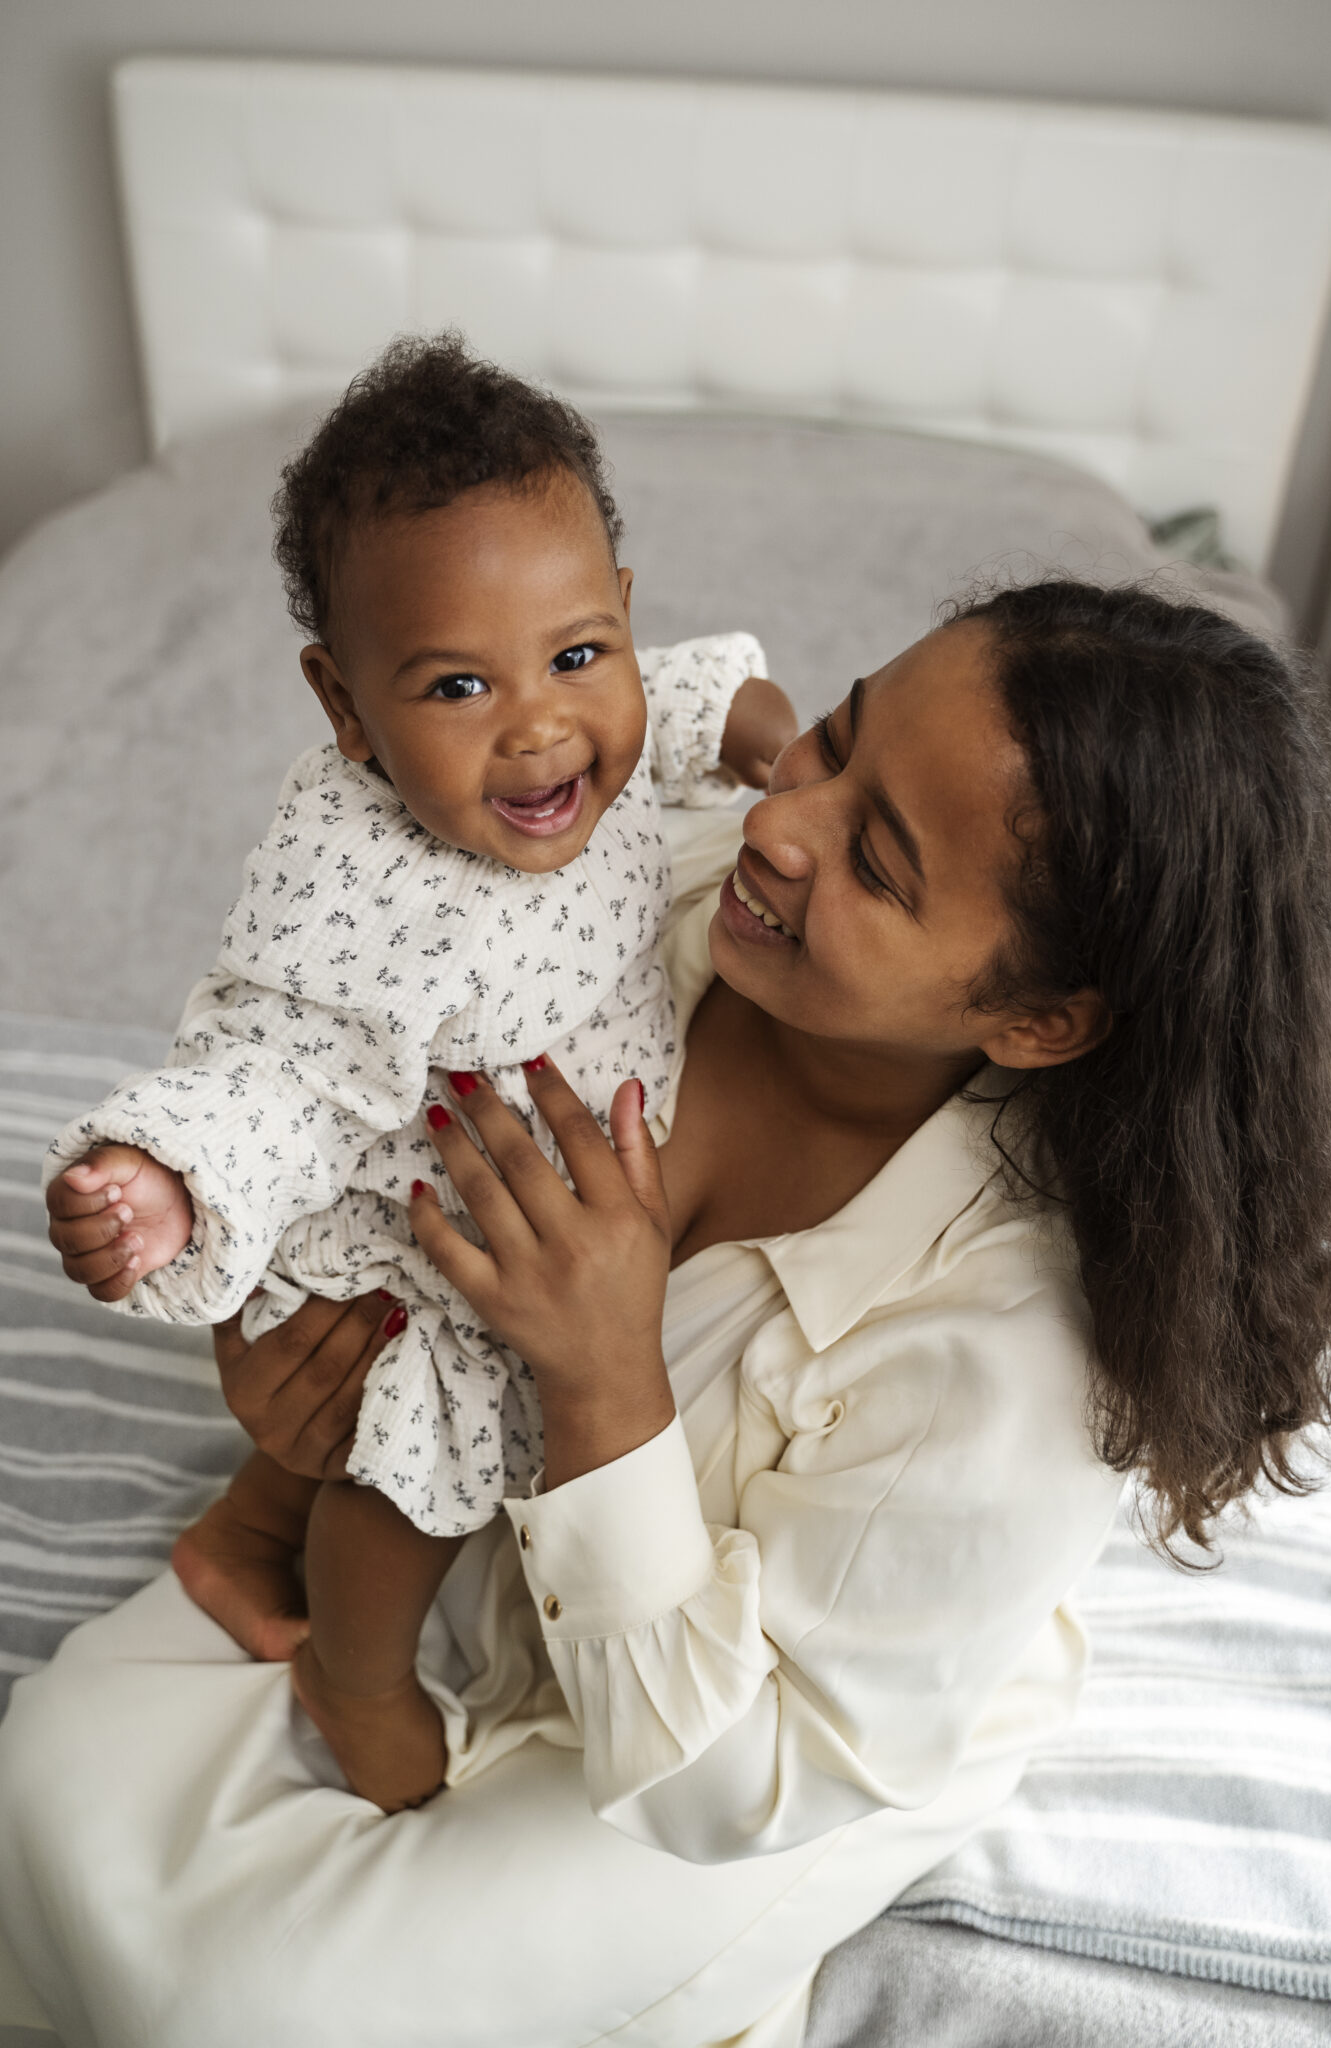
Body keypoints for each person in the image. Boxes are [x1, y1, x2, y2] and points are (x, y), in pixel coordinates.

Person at [3, 582, 1331, 2048]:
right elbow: (355, 1109)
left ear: (1034, 1018)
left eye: (878, 864)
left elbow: (739, 1782)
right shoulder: (645, 889)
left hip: (743, 1735)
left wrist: (602, 1385)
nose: (783, 827)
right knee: (50, 1781)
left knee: (243, 2016)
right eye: (831, 744)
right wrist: (275, 1372)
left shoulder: (1013, 1359)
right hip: (455, 1545)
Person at [39, 334, 797, 1810]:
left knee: (388, 1431)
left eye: (578, 654)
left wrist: (787, 743)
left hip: (550, 1203)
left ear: (618, 621)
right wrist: (161, 1179)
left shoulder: (615, 729)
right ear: (343, 709)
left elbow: (695, 702)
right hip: (427, 1243)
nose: (537, 726)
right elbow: (273, 1063)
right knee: (412, 1476)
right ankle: (357, 1673)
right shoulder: (359, 876)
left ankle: (243, 1529)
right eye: (455, 686)